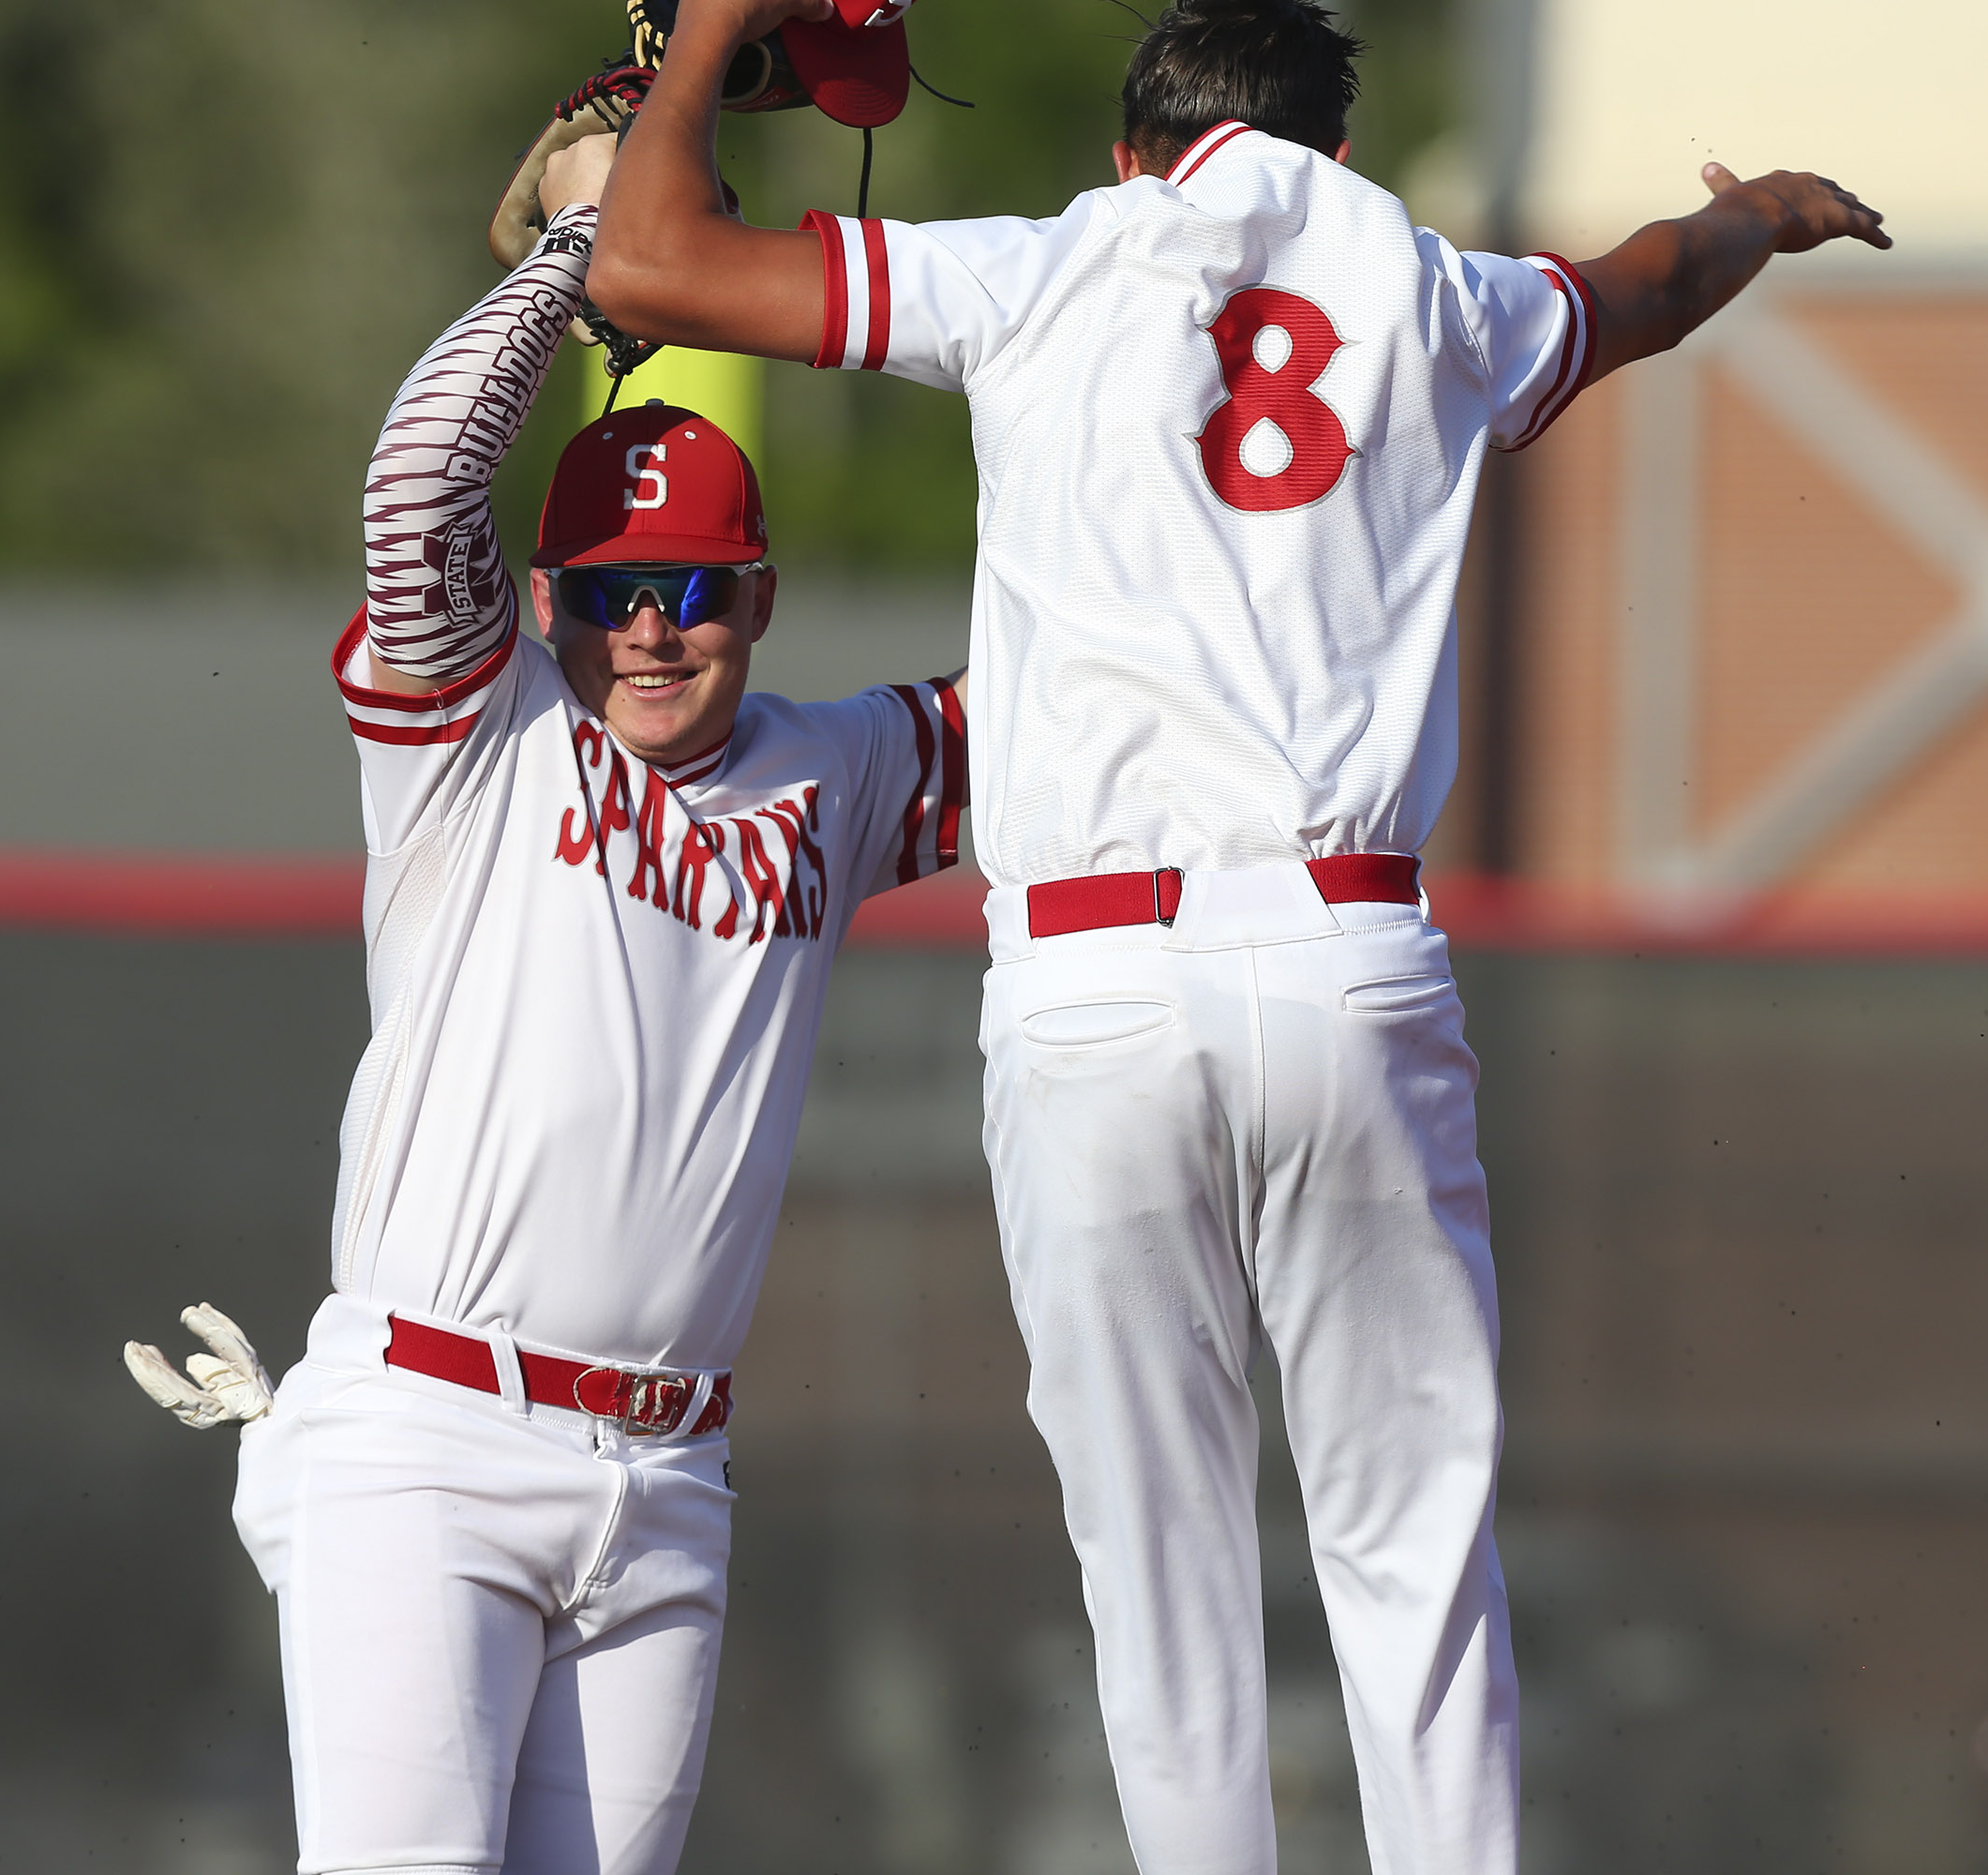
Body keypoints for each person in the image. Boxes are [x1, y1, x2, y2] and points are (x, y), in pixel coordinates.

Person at [586, 2, 1890, 1869]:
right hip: (1342, 953)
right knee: (1410, 1539)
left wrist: (709, 38)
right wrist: (1764, 209)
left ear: (1136, 154)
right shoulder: (1429, 290)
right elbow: (1648, 285)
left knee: (1157, 1560)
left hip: (1091, 982)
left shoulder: (1044, 269)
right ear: (1333, 161)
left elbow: (652, 261)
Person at [124, 130, 966, 1875]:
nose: (653, 632)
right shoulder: (484, 728)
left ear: (761, 599)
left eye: (695, 591)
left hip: (669, 1488)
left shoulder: (842, 771)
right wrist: (591, 236)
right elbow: (418, 482)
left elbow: (1100, 682)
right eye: (610, 595)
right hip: (431, 1441)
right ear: (547, 603)